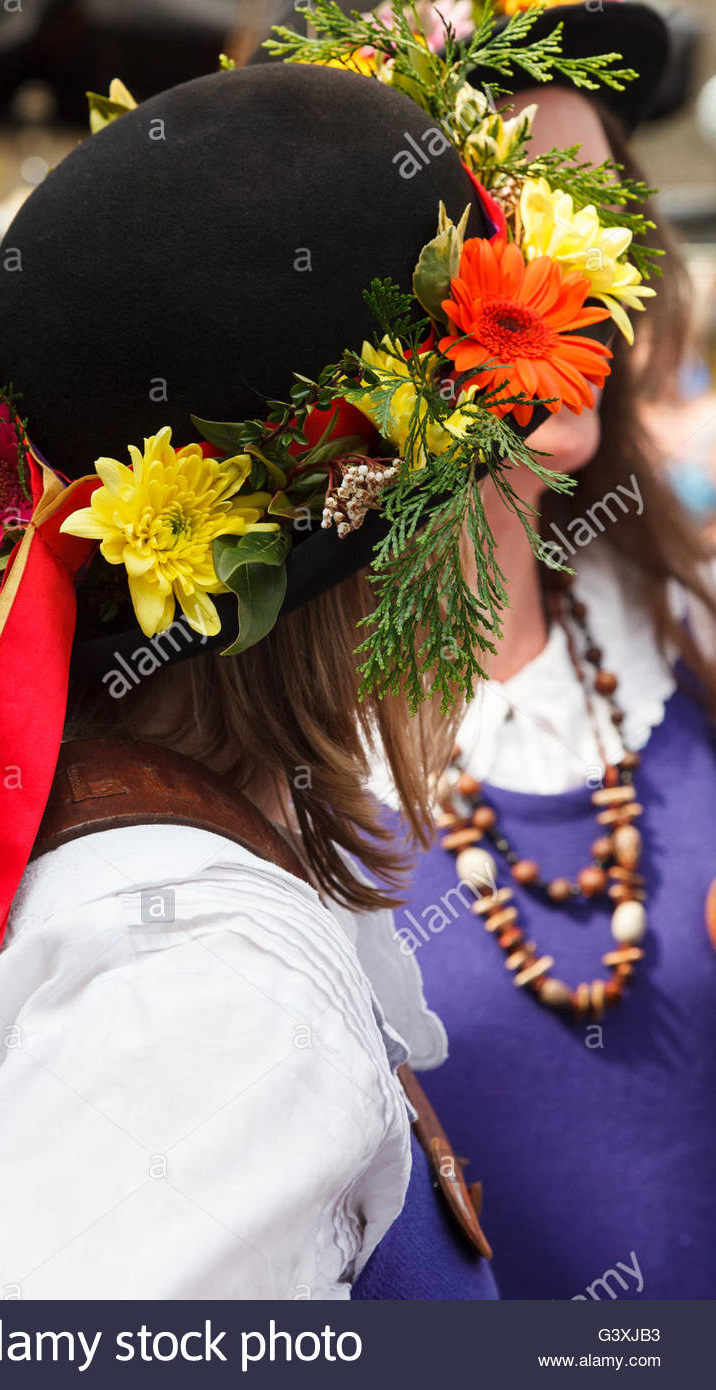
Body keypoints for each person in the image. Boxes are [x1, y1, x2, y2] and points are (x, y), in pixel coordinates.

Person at [0, 15, 641, 1299]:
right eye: (483, 464)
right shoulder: (208, 1003)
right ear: (382, 554)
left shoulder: (120, 874)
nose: (536, 481)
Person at [368, 5, 716, 1300]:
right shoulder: (246, 727)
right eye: (500, 216)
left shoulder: (678, 617)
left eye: (594, 217)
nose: (561, 269)